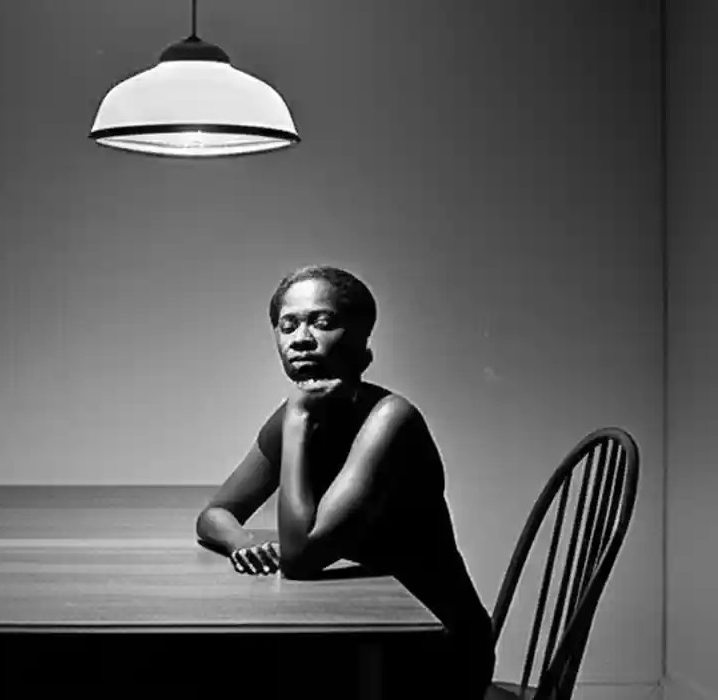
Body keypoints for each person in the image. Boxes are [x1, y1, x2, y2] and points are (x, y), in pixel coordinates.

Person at [194, 264, 495, 698]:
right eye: (287, 325)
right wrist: (241, 543)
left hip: (434, 647)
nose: (300, 338)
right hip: (365, 630)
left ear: (361, 343)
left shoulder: (390, 421)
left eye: (323, 322)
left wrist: (297, 418)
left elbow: (300, 560)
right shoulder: (297, 415)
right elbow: (214, 514)